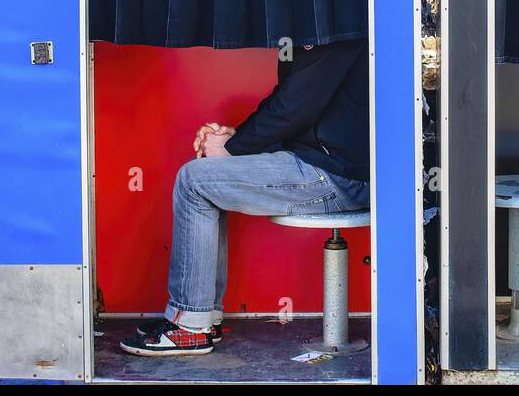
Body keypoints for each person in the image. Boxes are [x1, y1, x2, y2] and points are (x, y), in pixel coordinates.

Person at [119, 37, 370, 357]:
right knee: (205, 179)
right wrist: (237, 139)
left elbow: (294, 107)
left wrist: (232, 148)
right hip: (327, 164)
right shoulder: (318, 26)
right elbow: (289, 100)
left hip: (338, 176)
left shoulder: (334, 25)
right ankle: (201, 318)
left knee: (193, 180)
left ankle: (189, 326)